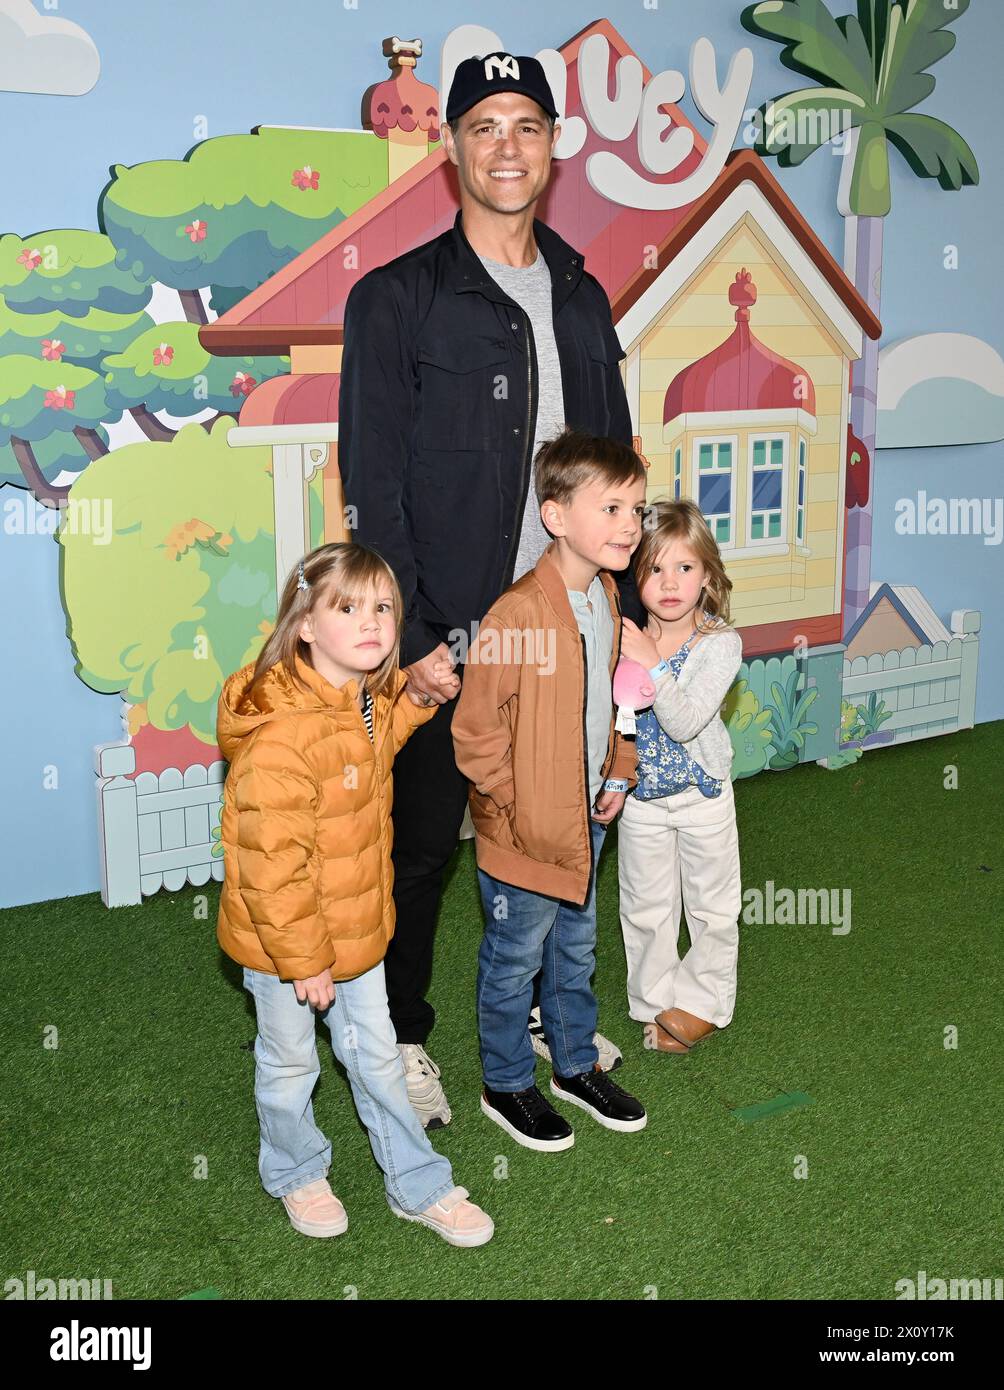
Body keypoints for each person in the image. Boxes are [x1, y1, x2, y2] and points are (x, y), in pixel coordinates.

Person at [338, 49, 644, 1124]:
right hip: (451, 636)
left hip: (568, 628)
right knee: (420, 851)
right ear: (452, 148)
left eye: (526, 124)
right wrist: (412, 634)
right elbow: (372, 482)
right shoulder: (396, 299)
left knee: (555, 830)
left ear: (552, 145)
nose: (506, 146)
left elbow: (614, 466)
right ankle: (400, 1038)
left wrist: (628, 614)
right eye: (483, 126)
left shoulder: (582, 295)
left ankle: (545, 1019)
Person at [215, 542, 493, 1246]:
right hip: (286, 945)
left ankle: (417, 1182)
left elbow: (367, 748)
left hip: (357, 924)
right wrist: (305, 958)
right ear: (305, 624)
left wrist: (417, 700)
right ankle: (296, 1169)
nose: (371, 622)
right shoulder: (280, 738)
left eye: (383, 608)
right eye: (348, 608)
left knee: (378, 1058)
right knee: (290, 1063)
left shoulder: (359, 698)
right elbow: (271, 870)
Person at [451, 429, 649, 1150]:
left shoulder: (606, 594)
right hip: (524, 832)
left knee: (575, 951)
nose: (630, 525)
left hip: (586, 816)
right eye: (612, 508)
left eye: (637, 509)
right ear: (556, 515)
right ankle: (506, 1084)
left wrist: (619, 769)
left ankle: (573, 1064)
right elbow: (474, 730)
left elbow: (618, 697)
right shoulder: (516, 614)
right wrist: (514, 808)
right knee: (514, 960)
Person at [615, 500, 744, 1054]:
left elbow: (686, 721)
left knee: (713, 908)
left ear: (707, 575)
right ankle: (655, 1003)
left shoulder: (721, 644)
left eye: (684, 567)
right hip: (641, 800)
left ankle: (704, 1005)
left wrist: (652, 662)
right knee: (645, 907)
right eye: (654, 568)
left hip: (703, 796)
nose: (669, 583)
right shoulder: (622, 636)